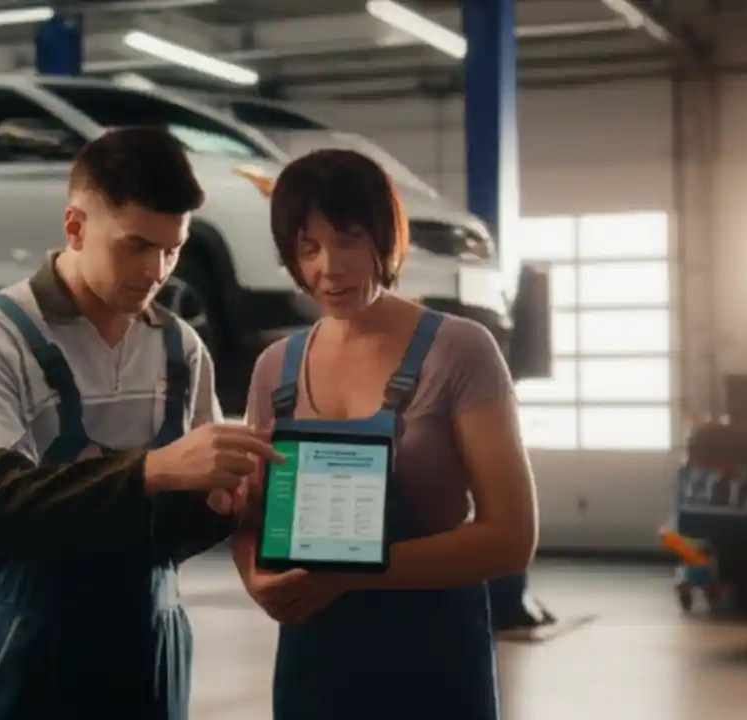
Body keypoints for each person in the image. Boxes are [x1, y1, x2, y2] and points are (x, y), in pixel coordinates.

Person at [0, 126, 273, 720]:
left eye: (172, 250)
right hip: (26, 654)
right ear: (75, 226)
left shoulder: (181, 348)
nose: (156, 270)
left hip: (150, 646)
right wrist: (156, 469)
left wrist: (219, 505)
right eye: (136, 246)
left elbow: (173, 532)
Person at [231, 149, 538, 719]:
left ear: (386, 236)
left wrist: (348, 574)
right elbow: (252, 517)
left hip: (432, 660)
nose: (330, 267)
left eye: (348, 239)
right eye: (308, 248)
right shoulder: (276, 367)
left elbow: (511, 536)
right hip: (313, 661)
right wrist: (254, 578)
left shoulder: (459, 350)